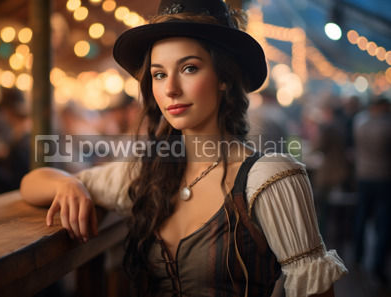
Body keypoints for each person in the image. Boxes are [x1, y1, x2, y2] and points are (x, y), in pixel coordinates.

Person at [20, 0, 347, 296]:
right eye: (159, 74)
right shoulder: (149, 176)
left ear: (223, 77)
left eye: (189, 68)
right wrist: (69, 184)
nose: (171, 89)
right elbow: (32, 183)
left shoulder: (270, 178)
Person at [353, 96, 391, 285]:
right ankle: (377, 264)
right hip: (383, 176)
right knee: (383, 222)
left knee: (361, 216)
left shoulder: (359, 121)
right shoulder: (387, 125)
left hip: (363, 175)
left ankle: (357, 255)